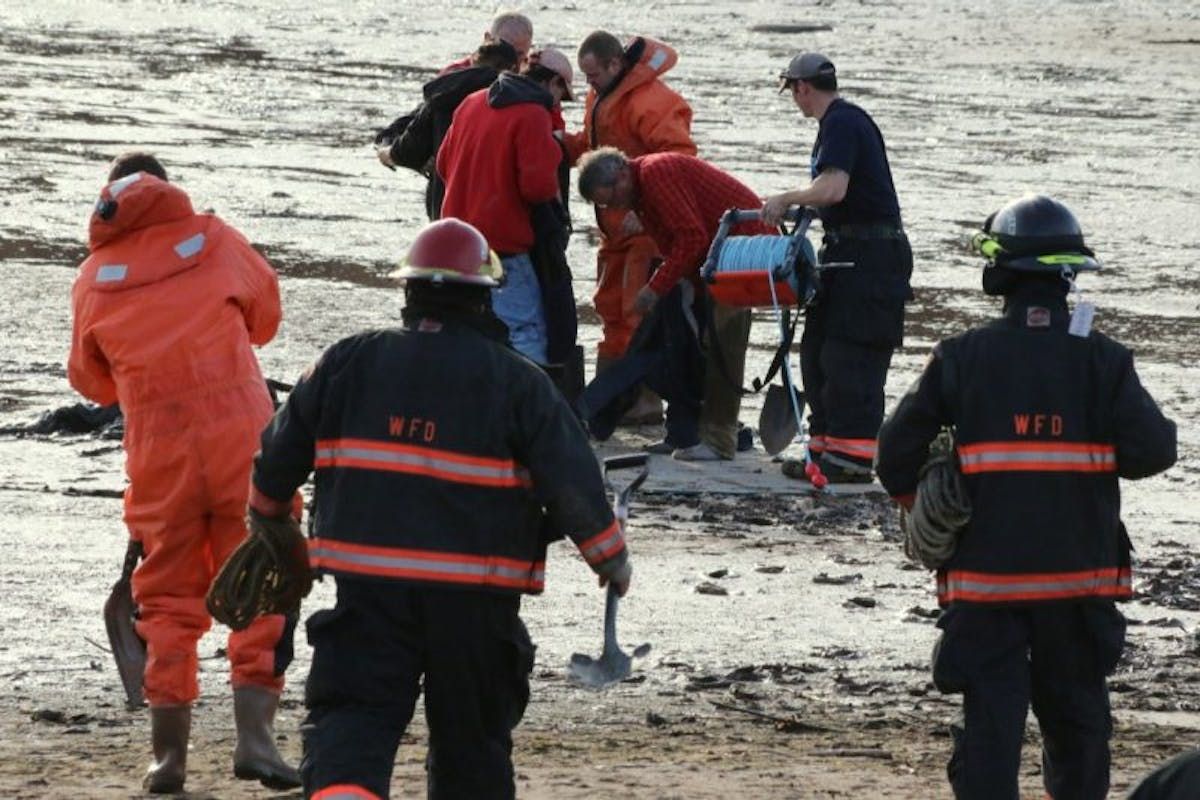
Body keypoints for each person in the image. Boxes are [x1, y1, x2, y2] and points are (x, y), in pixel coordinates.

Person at [247, 217, 633, 800]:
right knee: (471, 746)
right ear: (483, 297)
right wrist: (611, 560)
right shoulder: (520, 384)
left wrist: (270, 518)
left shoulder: (344, 363)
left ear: (410, 291)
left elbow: (276, 459)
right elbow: (572, 480)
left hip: (368, 594)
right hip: (476, 607)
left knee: (352, 724)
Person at [875, 195, 1177, 799]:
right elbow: (1155, 452)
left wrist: (922, 505)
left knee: (991, 733)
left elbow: (892, 456)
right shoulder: (1105, 359)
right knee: (1078, 732)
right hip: (1077, 588)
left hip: (987, 590)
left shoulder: (961, 357)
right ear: (1068, 276)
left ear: (999, 273)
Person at [67, 153, 299, 793]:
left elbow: (92, 383)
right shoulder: (217, 239)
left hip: (158, 454)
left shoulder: (92, 278)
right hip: (243, 442)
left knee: (165, 596)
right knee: (263, 578)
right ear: (169, 189)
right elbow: (267, 318)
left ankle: (167, 758)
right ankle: (255, 741)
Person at [762, 53, 913, 484]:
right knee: (818, 355)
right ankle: (822, 453)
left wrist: (786, 199)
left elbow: (833, 187)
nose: (795, 100)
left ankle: (852, 460)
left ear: (802, 88)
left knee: (851, 357)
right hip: (845, 253)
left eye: (793, 91)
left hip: (872, 258)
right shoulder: (838, 125)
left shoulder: (842, 123)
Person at [577, 148, 771, 460]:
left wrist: (655, 288)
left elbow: (691, 238)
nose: (613, 208)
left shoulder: (657, 173)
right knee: (679, 343)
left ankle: (719, 441)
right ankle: (684, 433)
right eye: (604, 204)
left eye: (611, 199)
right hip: (710, 259)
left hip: (742, 254)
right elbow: (683, 239)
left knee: (721, 346)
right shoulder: (639, 195)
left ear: (623, 174)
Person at [562, 30, 696, 428]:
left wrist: (650, 205)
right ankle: (609, 400)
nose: (588, 84)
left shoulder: (650, 101)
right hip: (616, 226)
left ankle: (643, 402)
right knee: (610, 309)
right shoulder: (601, 97)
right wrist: (559, 144)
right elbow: (590, 143)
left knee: (638, 313)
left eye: (593, 76)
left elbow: (680, 156)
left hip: (646, 229)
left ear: (614, 65)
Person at [436, 48, 574, 366]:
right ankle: (528, 410)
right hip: (504, 248)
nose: (557, 105)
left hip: (457, 245)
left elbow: (444, 166)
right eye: (560, 95)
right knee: (526, 333)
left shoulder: (471, 102)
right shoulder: (533, 114)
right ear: (552, 83)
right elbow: (537, 187)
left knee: (464, 329)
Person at [375, 40, 520, 220]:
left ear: (472, 61)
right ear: (514, 68)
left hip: (445, 208)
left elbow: (409, 150)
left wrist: (385, 150)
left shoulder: (442, 96)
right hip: (497, 213)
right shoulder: (518, 102)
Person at [438, 11, 533, 75]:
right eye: (504, 52)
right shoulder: (453, 74)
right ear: (487, 39)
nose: (512, 63)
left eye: (519, 54)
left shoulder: (533, 78)